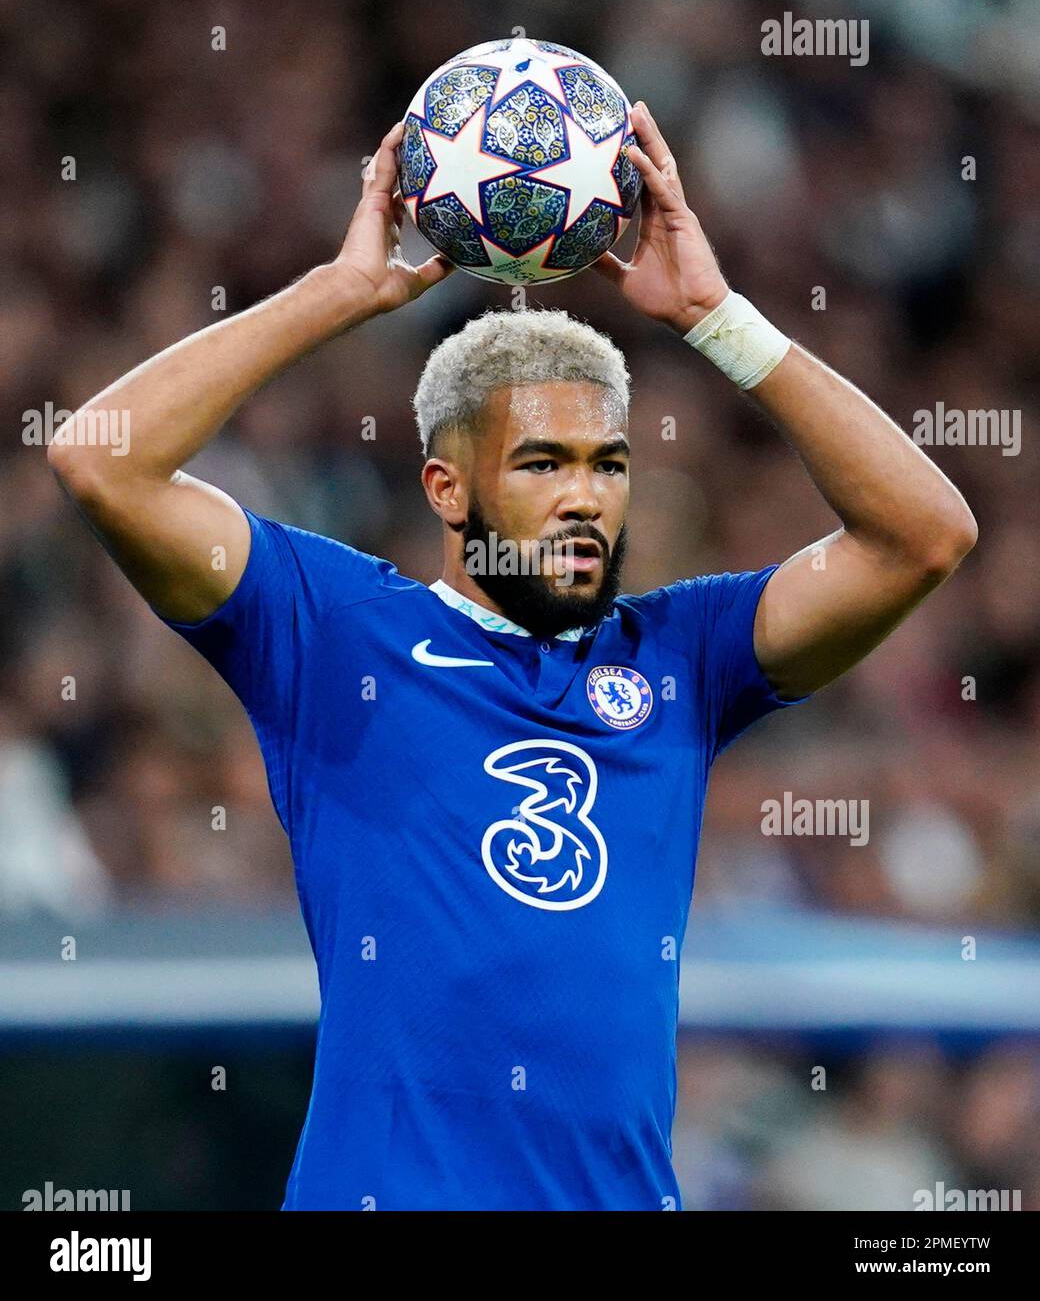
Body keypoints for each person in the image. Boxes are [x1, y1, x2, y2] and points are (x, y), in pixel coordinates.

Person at [47, 103, 977, 1210]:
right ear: (447, 488)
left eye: (607, 463)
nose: (584, 496)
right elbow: (100, 459)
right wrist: (338, 294)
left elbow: (924, 536)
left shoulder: (684, 656)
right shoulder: (335, 631)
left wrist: (717, 319)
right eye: (542, 463)